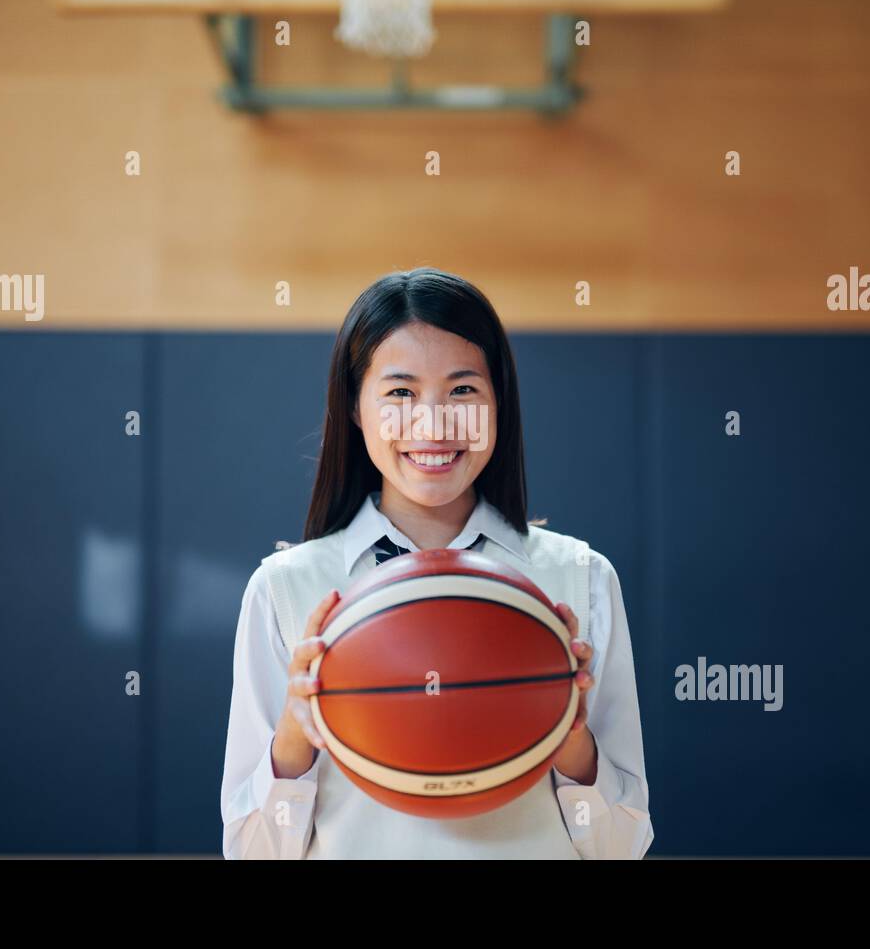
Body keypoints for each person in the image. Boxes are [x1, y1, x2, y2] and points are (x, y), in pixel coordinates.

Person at [220, 267, 653, 859]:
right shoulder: (285, 589)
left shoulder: (581, 579)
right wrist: (296, 733)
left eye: (463, 390)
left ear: (499, 403)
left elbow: (621, 848)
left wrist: (568, 737)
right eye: (400, 393)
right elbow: (252, 852)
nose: (433, 422)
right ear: (355, 407)